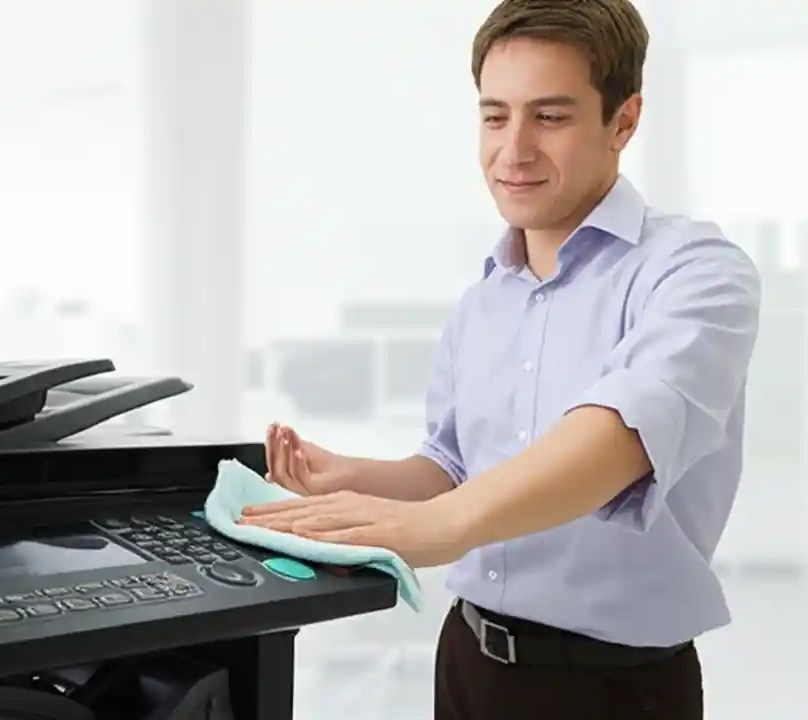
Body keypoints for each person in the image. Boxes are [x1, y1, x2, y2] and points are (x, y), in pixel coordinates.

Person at [237, 1, 762, 718]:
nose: (514, 150)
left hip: (615, 686)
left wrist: (440, 527)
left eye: (549, 117)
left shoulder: (696, 272)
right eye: (495, 116)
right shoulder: (481, 303)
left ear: (623, 121)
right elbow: (453, 467)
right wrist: (354, 479)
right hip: (469, 661)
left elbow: (621, 433)